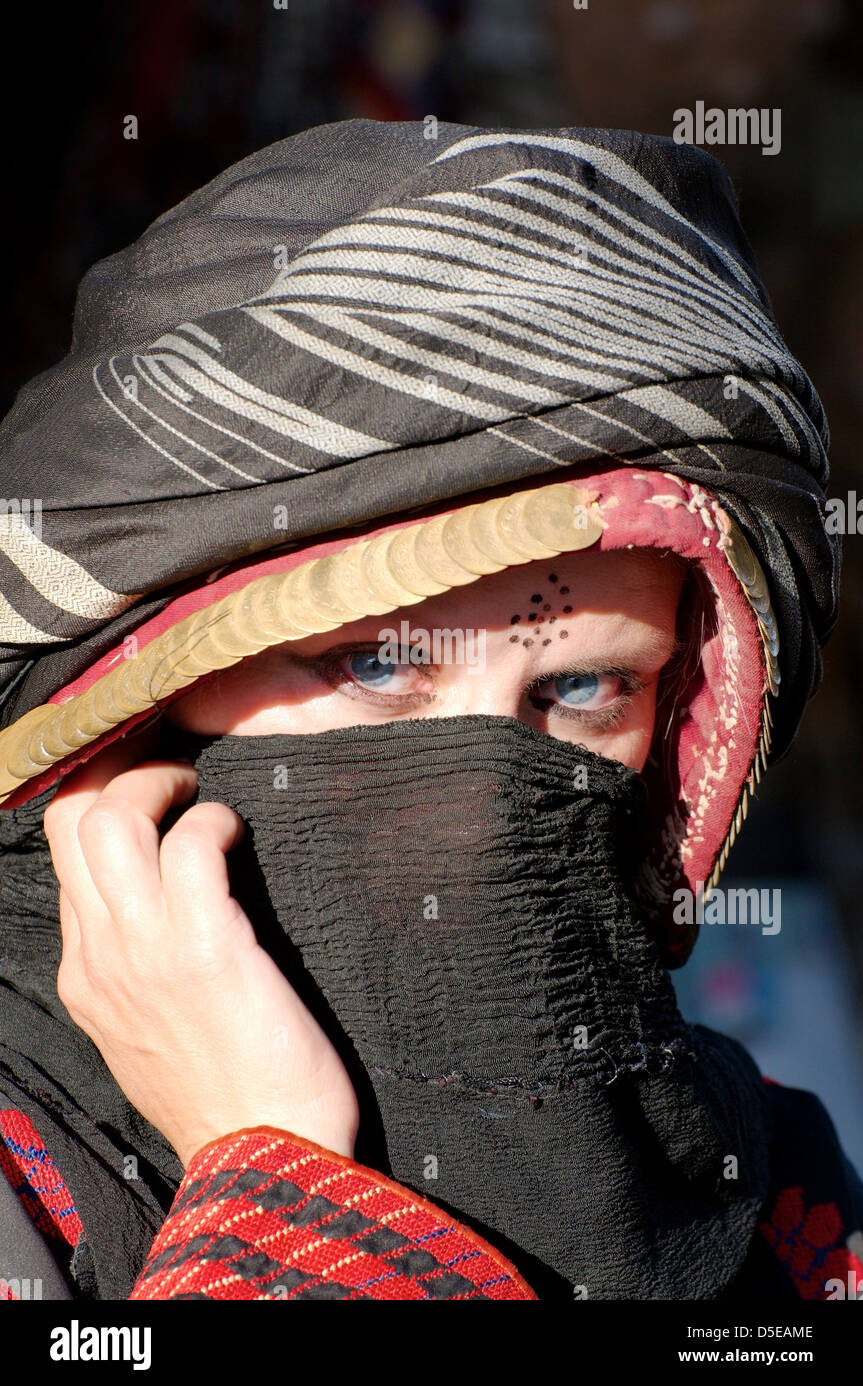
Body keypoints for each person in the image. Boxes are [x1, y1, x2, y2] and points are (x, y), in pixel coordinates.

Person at [1, 119, 861, 1303]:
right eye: (370, 668)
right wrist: (278, 1177)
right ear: (131, 696)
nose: (475, 799)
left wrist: (259, 1157)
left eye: (578, 688)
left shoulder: (765, 1197)